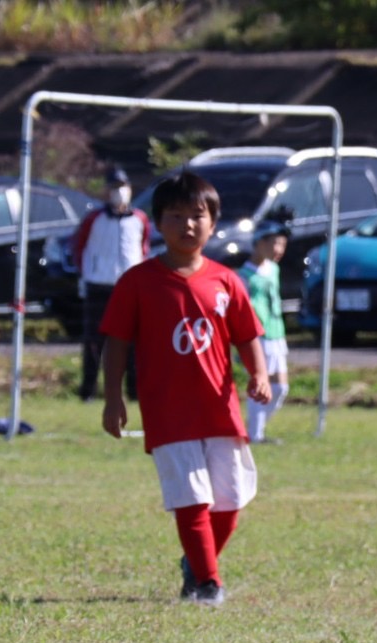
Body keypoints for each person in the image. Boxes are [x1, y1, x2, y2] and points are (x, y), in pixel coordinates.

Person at [100, 172, 271, 607]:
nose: (188, 225)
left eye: (198, 216)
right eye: (176, 216)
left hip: (219, 407)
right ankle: (208, 584)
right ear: (157, 222)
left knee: (230, 499)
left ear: (213, 223)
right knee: (192, 498)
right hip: (167, 411)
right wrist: (114, 398)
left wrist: (260, 375)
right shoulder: (138, 282)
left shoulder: (226, 281)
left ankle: (196, 562)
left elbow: (247, 334)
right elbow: (116, 343)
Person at [74, 166, 151, 401]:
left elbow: (144, 248)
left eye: (122, 187)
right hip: (99, 285)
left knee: (132, 343)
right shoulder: (94, 219)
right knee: (93, 342)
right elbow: (79, 247)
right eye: (114, 188)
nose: (119, 193)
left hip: (129, 286)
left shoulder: (139, 219)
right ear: (106, 191)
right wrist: (86, 274)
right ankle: (88, 390)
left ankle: (134, 391)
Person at [238, 219, 290, 444]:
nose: (278, 250)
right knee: (261, 385)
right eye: (274, 244)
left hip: (277, 333)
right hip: (259, 336)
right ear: (259, 243)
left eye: (282, 245)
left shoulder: (274, 269)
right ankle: (255, 434)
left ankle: (254, 429)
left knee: (281, 387)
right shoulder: (244, 275)